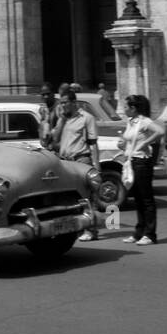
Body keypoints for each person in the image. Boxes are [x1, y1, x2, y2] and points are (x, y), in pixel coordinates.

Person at [55, 88, 103, 240]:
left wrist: (96, 165)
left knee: (87, 197)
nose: (62, 106)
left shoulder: (86, 118)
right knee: (68, 198)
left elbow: (93, 143)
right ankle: (75, 228)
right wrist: (61, 120)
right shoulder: (62, 118)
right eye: (61, 103)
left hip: (81, 160)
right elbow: (55, 138)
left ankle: (91, 230)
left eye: (65, 103)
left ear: (73, 102)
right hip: (65, 161)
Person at [120, 94, 165, 245]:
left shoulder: (144, 121)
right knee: (138, 199)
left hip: (142, 162)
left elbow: (160, 131)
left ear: (133, 108)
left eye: (126, 107)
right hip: (131, 162)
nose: (124, 109)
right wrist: (122, 144)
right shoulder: (130, 122)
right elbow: (129, 139)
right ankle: (139, 232)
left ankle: (150, 234)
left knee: (146, 199)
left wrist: (145, 143)